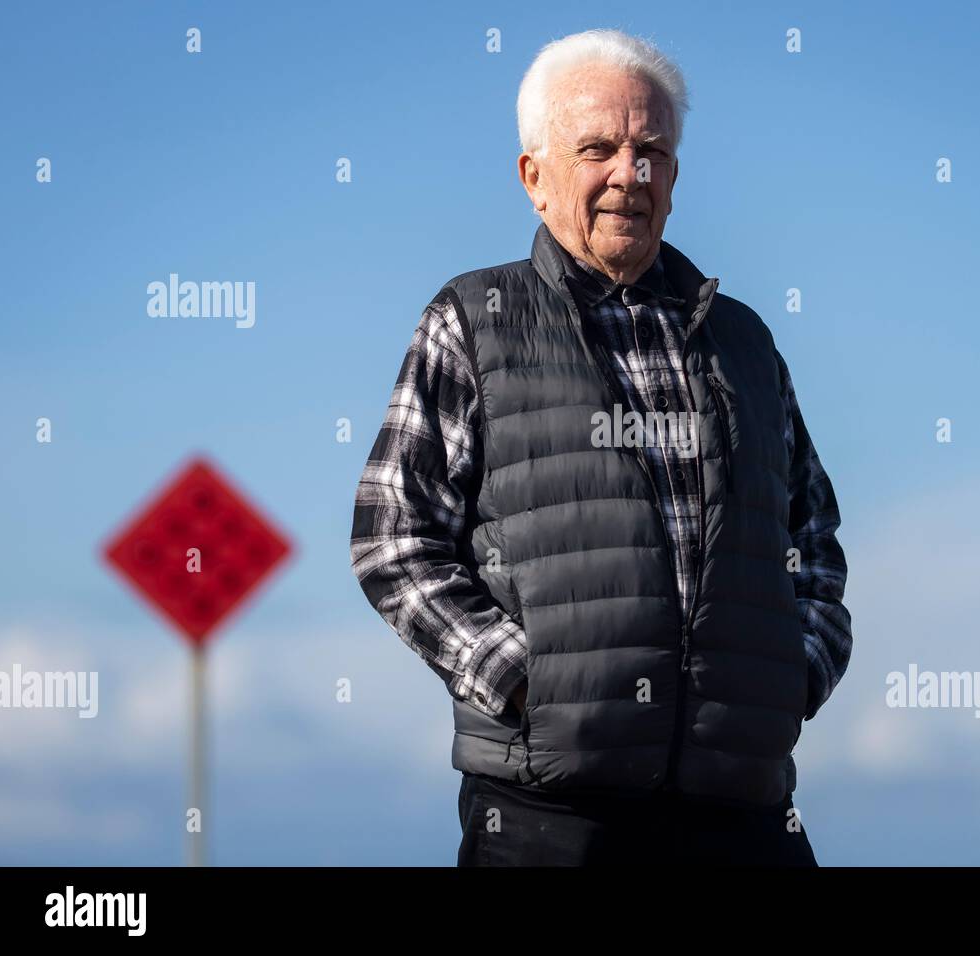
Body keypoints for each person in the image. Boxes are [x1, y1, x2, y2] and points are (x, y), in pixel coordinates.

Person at [350, 28, 851, 866]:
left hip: (746, 810)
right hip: (548, 815)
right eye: (599, 148)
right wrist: (524, 683)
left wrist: (791, 680)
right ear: (534, 177)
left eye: (652, 149)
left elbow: (815, 546)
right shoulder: (473, 321)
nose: (631, 173)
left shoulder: (745, 343)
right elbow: (393, 540)